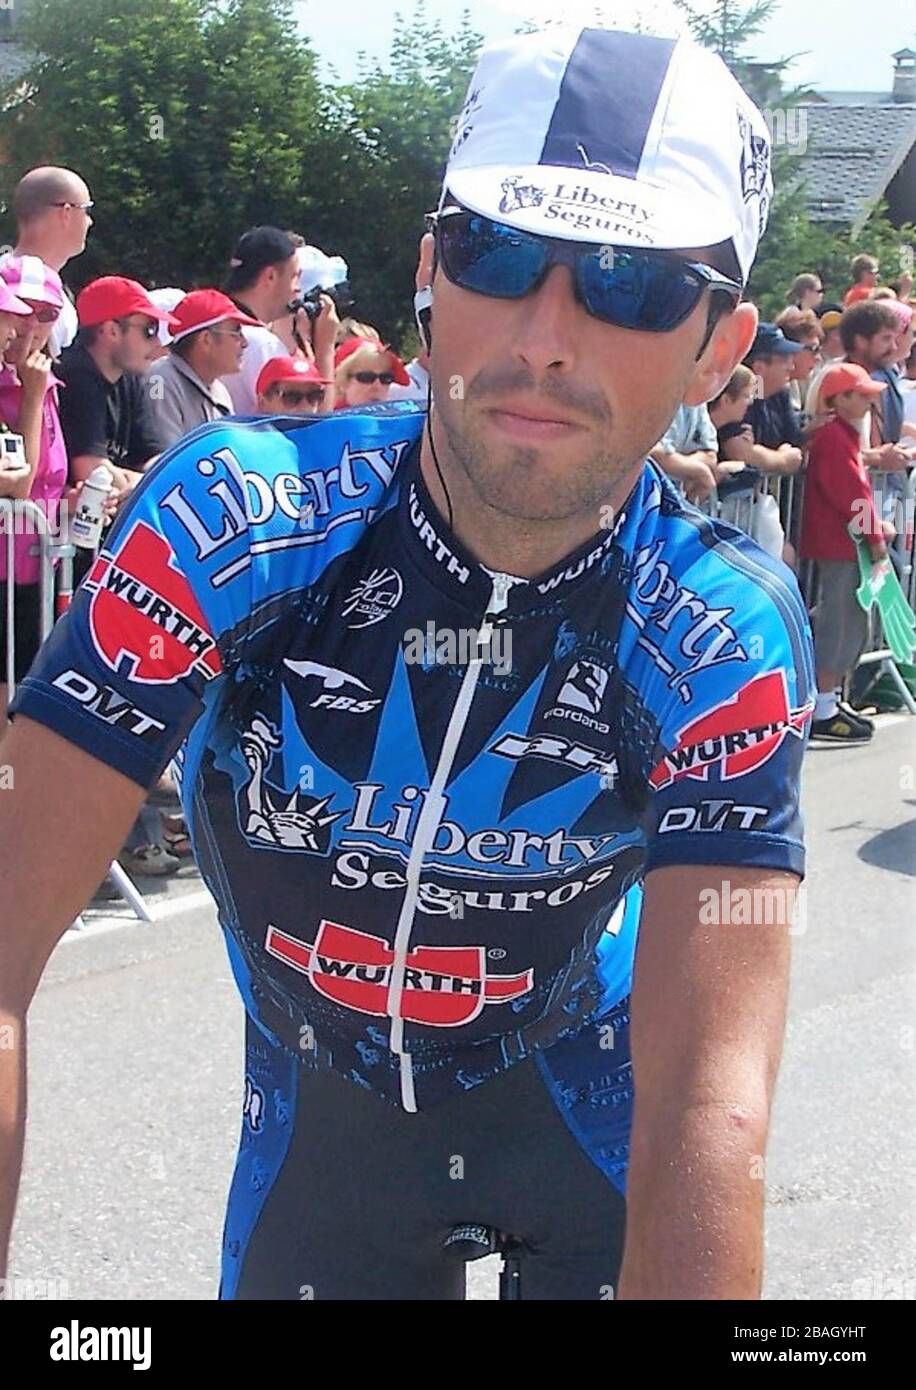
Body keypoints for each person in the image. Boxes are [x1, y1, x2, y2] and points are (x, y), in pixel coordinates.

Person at [0, 24, 814, 1302]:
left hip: (584, 1094)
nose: (544, 335)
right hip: (329, 1129)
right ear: (435, 274)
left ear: (719, 347)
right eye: (499, 254)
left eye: (632, 281)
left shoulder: (722, 630)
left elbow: (711, 1106)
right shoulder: (235, 520)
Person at [800, 364, 892, 743]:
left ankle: (830, 701)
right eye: (862, 394)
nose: (870, 401)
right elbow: (852, 495)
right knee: (840, 621)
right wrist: (875, 538)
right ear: (840, 399)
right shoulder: (835, 438)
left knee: (850, 620)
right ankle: (823, 707)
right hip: (839, 544)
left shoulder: (840, 436)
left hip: (844, 542)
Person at [0, 269, 59, 718]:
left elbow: (44, 478)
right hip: (4, 572)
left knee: (24, 713)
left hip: (38, 571)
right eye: (18, 313)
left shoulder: (49, 387)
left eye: (44, 314)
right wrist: (32, 397)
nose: (26, 327)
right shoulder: (32, 388)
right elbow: (19, 481)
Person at [1, 165, 94, 359]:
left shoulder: (58, 293)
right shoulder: (5, 290)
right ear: (66, 212)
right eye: (87, 210)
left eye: (45, 315)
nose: (89, 221)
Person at [146, 290, 260, 446]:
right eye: (236, 333)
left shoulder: (219, 390)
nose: (244, 343)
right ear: (206, 339)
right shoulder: (159, 379)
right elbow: (165, 458)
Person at [219, 227, 303, 413]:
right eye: (295, 277)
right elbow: (306, 423)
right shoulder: (261, 343)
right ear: (270, 276)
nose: (298, 289)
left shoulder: (211, 327)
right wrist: (325, 348)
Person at [649, 401, 719, 503]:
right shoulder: (661, 394)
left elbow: (710, 457)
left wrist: (687, 467)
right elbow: (652, 453)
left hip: (674, 500)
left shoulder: (698, 400)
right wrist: (699, 470)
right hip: (644, 492)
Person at [333, 335, 411, 407]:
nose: (377, 386)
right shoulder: (327, 419)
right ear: (342, 382)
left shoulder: (398, 419)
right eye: (366, 377)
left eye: (386, 378)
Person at [255, 356, 332, 415]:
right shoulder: (248, 435)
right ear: (262, 403)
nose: (305, 407)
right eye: (292, 397)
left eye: (314, 395)